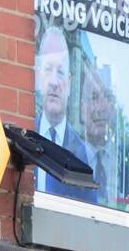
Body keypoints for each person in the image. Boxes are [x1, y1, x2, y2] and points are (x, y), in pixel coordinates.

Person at [34, 26, 95, 202]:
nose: (54, 81)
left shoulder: (82, 154)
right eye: (48, 70)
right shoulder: (25, 137)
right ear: (38, 77)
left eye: (60, 72)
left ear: (69, 83)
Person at [80, 66, 117, 207]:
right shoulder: (68, 155)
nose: (102, 108)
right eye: (94, 97)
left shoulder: (125, 164)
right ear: (82, 108)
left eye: (108, 97)